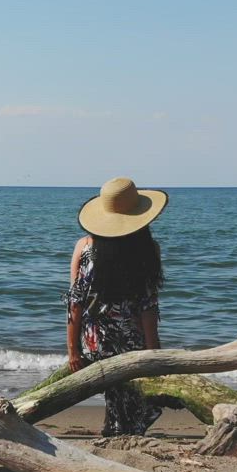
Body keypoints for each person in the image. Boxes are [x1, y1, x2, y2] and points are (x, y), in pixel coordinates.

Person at [64, 177, 167, 436]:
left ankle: (116, 427)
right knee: (132, 389)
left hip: (96, 340)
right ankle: (123, 429)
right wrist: (153, 351)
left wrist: (73, 349)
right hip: (134, 338)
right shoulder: (149, 249)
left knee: (118, 387)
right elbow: (148, 307)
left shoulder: (85, 247)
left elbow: (75, 302)